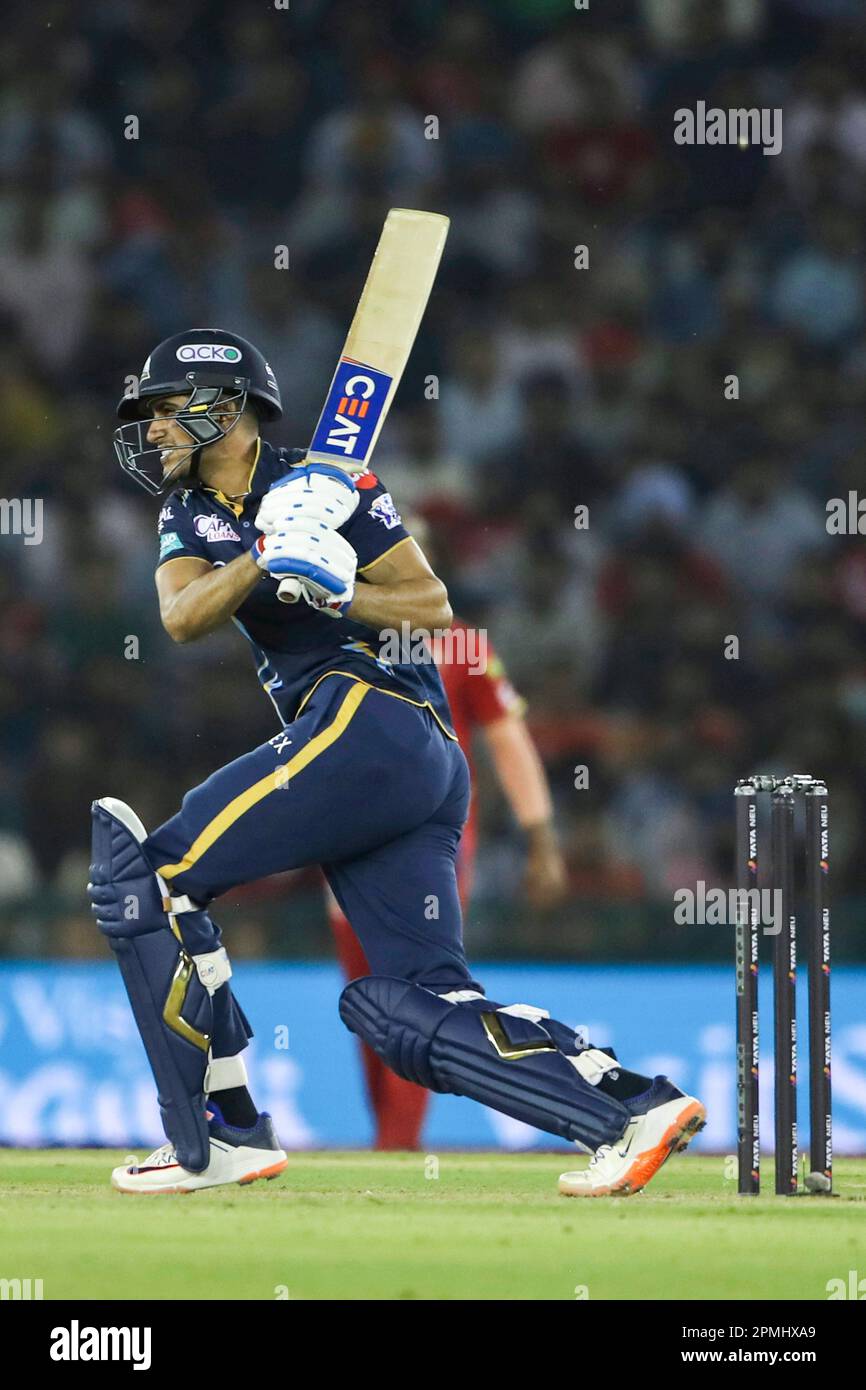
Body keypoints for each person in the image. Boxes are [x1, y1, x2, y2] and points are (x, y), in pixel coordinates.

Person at [90, 327, 705, 1197]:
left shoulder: (340, 482)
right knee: (406, 1004)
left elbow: (433, 608)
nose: (150, 432)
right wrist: (267, 557)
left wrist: (342, 589)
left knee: (149, 880)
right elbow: (185, 617)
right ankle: (626, 1108)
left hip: (372, 717)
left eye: (162, 410)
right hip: (394, 776)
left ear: (222, 407)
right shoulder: (186, 513)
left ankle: (221, 1133)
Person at [329, 525, 569, 1150]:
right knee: (364, 995)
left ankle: (397, 1145)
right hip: (344, 835)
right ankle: (389, 1134)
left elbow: (507, 740)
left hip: (431, 839)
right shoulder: (337, 636)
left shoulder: (460, 644)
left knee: (415, 989)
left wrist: (540, 837)